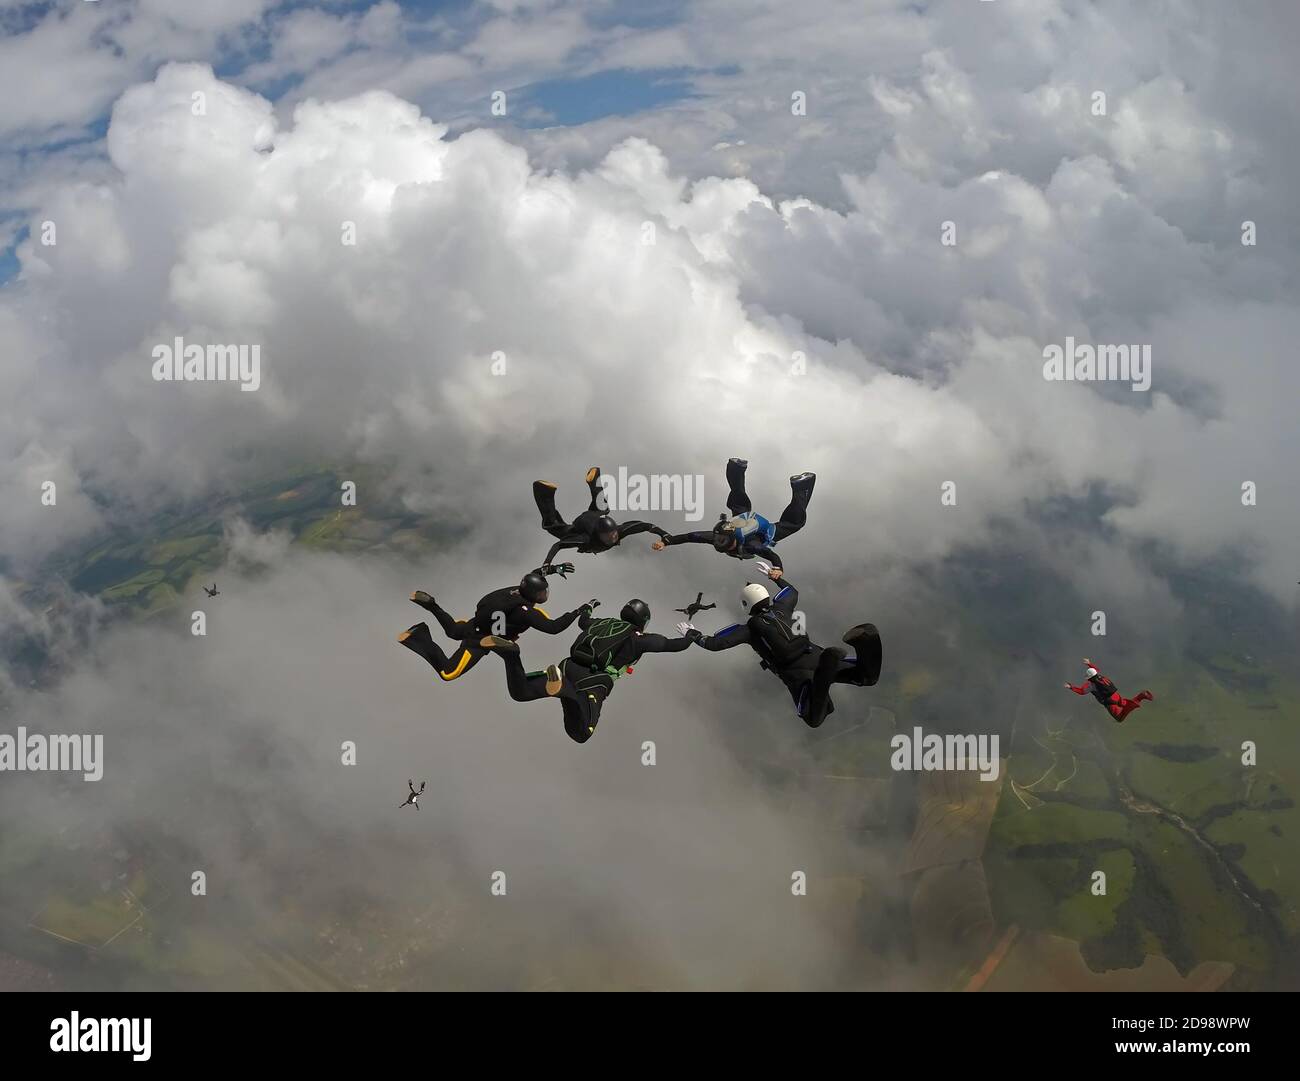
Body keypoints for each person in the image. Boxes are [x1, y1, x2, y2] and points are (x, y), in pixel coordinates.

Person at [688, 567, 880, 728]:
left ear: (746, 605)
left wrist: (692, 634)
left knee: (813, 718)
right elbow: (792, 591)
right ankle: (867, 638)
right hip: (815, 653)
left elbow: (715, 644)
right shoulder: (782, 607)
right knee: (865, 677)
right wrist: (775, 577)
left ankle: (825, 672)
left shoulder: (750, 629)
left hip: (797, 672)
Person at [482, 599, 695, 743]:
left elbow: (583, 621)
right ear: (643, 622)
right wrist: (691, 635)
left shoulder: (601, 623)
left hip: (567, 666)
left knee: (521, 692)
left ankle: (512, 655)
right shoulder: (638, 638)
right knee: (581, 733)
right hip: (594, 680)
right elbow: (672, 645)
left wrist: (589, 607)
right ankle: (562, 690)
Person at [399, 567, 597, 683]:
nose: (545, 595)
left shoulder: (516, 590)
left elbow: (535, 573)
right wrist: (579, 611)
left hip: (476, 624)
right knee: (449, 673)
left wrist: (554, 569)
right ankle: (418, 637)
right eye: (542, 593)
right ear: (532, 594)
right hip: (480, 641)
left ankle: (432, 605)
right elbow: (553, 628)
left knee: (452, 631)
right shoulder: (525, 612)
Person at [651, 458, 814, 572]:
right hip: (744, 519)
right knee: (738, 502)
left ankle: (802, 486)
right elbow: (690, 537)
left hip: (764, 530)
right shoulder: (718, 536)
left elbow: (771, 555)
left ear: (734, 538)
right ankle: (736, 468)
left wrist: (778, 568)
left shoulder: (751, 545)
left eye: (721, 541)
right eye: (718, 539)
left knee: (794, 523)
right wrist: (667, 541)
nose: (718, 543)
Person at [534, 466, 671, 566]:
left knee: (603, 507)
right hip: (581, 524)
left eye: (613, 534)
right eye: (608, 537)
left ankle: (595, 478)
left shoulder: (619, 530)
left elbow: (646, 526)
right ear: (599, 535)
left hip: (597, 515)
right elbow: (558, 545)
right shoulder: (584, 538)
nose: (613, 538)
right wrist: (547, 563)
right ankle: (544, 491)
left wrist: (663, 535)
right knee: (553, 526)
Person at [1065, 659, 1153, 723]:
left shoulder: (1090, 685)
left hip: (1109, 701)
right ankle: (1140, 697)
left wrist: (1071, 687)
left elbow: (1081, 691)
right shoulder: (1100, 676)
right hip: (1116, 695)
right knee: (1125, 704)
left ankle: (1140, 696)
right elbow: (1096, 669)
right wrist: (1089, 663)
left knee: (1119, 718)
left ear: (1089, 678)